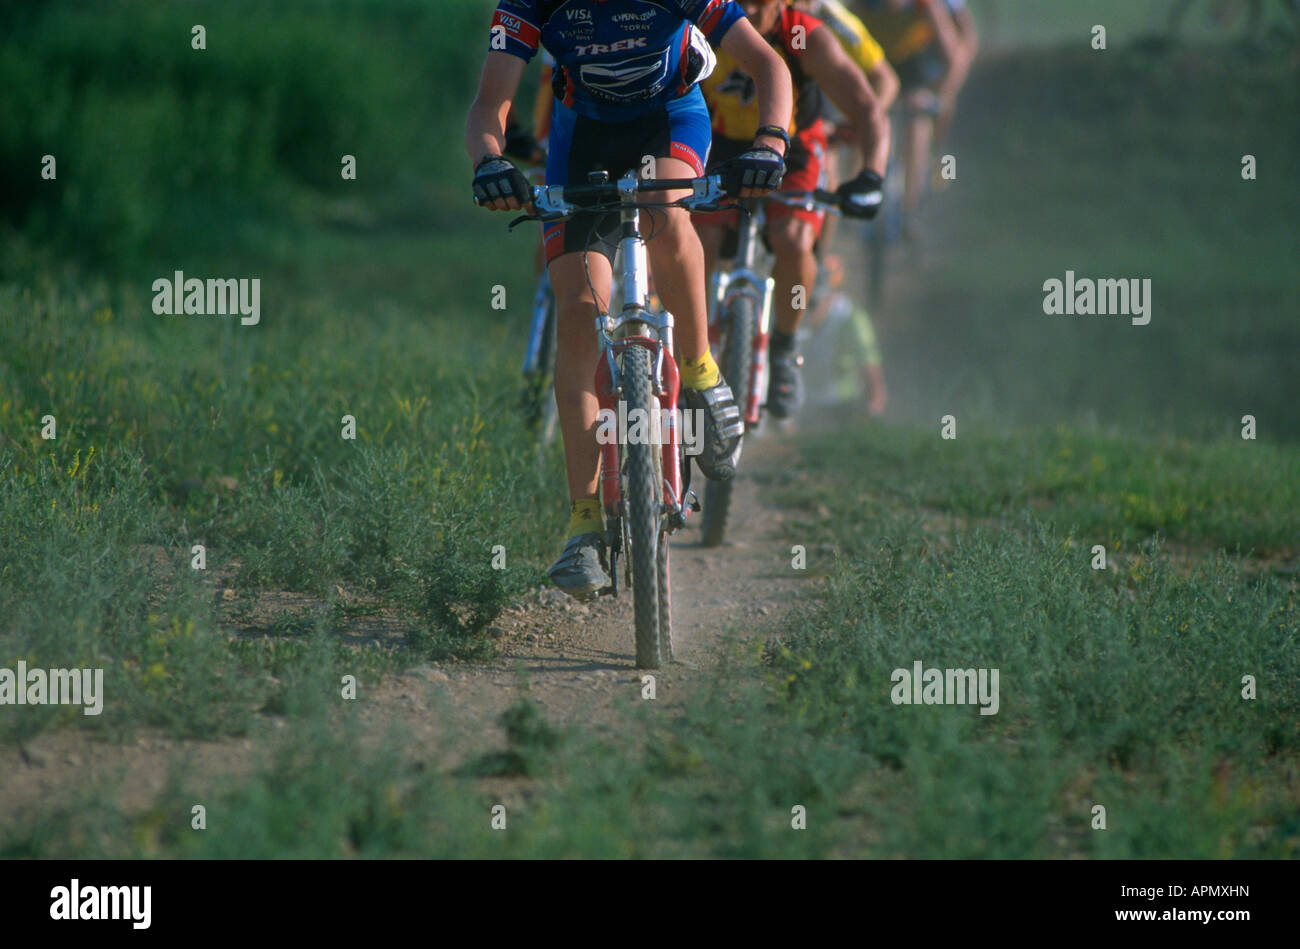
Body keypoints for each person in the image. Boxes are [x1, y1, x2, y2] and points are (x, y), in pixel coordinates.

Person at [466, 1, 795, 600]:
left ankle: (700, 374)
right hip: (582, 137)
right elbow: (490, 105)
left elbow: (771, 64)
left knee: (662, 209)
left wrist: (771, 143)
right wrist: (490, 161)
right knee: (577, 309)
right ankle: (584, 526)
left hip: (668, 117)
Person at [695, 0, 890, 419]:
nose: (747, 8)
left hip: (795, 146)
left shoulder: (807, 37)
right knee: (701, 236)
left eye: (760, 1)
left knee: (793, 238)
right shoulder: (705, 25)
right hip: (721, 140)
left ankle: (783, 346)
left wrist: (871, 176)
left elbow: (868, 107)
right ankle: (699, 340)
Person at [855, 0, 974, 217]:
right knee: (861, 116)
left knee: (920, 118)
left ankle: (914, 202)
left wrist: (941, 96)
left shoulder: (926, 7)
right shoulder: (864, 5)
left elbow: (952, 57)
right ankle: (853, 184)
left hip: (918, 66)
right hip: (880, 62)